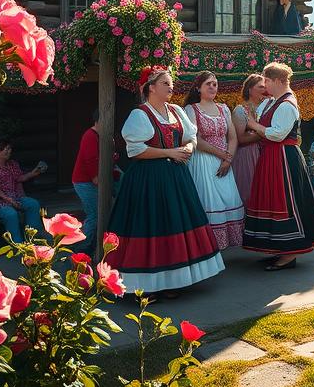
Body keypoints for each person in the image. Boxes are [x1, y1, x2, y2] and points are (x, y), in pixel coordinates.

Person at [103, 66, 224, 295]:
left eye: (171, 83)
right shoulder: (140, 114)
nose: (171, 87)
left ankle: (175, 280)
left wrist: (187, 148)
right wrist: (170, 153)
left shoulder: (176, 110)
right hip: (149, 179)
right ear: (151, 88)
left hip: (176, 177)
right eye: (166, 84)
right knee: (153, 225)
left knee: (175, 223)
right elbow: (136, 151)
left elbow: (191, 138)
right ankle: (150, 285)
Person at [242, 62, 314, 270]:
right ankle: (279, 247)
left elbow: (277, 133)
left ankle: (290, 252)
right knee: (272, 199)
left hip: (283, 157)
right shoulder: (273, 101)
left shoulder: (287, 104)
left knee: (285, 201)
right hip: (272, 155)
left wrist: (253, 125)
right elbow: (265, 122)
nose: (265, 86)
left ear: (278, 81)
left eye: (267, 81)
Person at [183, 71, 246, 250]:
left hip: (225, 162)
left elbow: (233, 137)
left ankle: (222, 245)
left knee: (227, 200)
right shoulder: (192, 109)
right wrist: (221, 155)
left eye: (215, 84)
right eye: (208, 84)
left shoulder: (224, 109)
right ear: (198, 88)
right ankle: (206, 247)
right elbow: (195, 139)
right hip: (203, 161)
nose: (212, 87)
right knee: (209, 202)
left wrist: (228, 160)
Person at [0, 138, 46, 243]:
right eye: (6, 149)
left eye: (10, 149)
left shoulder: (12, 164)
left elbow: (19, 178)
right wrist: (9, 200)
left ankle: (32, 238)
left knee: (33, 204)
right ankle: (17, 244)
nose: (9, 151)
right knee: (11, 214)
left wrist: (34, 173)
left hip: (16, 197)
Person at [71, 109, 118, 248]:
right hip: (85, 182)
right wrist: (96, 178)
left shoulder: (101, 136)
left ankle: (91, 246)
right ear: (99, 121)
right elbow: (90, 160)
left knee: (101, 212)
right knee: (95, 214)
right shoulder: (90, 136)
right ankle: (81, 248)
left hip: (92, 180)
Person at [230, 73, 267, 205]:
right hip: (247, 156)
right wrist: (265, 134)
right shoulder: (241, 110)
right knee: (248, 191)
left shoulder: (268, 109)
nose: (265, 90)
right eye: (261, 87)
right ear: (250, 89)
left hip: (266, 154)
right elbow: (240, 138)